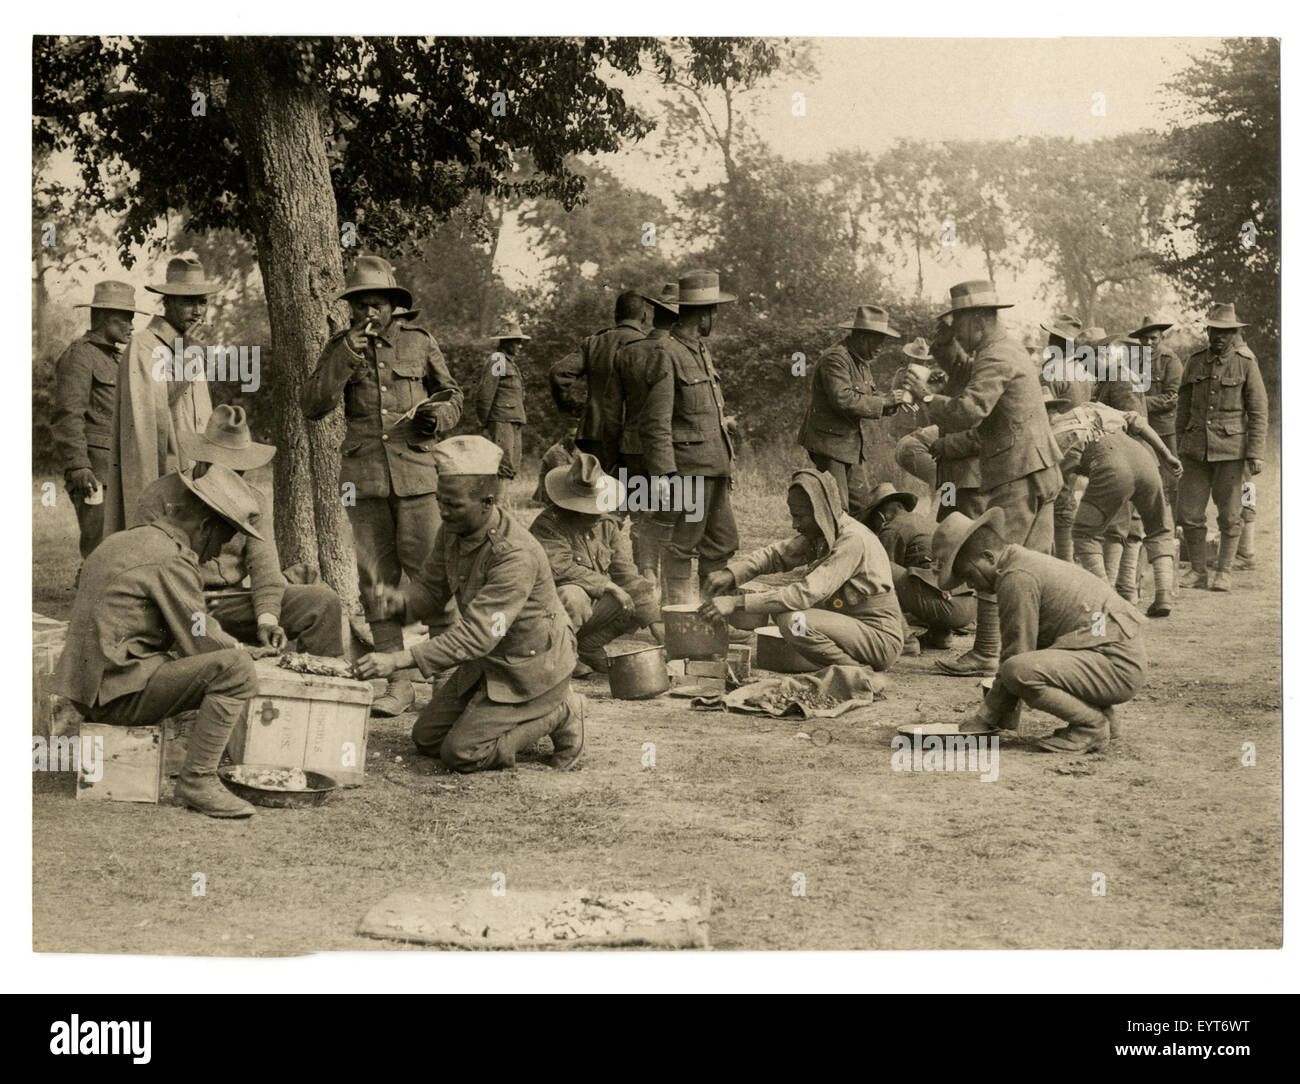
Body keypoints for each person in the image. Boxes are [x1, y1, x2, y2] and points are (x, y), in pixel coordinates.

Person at [53, 464, 273, 817]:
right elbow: (200, 639)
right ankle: (198, 780)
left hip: (93, 688)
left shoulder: (131, 539)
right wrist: (244, 652)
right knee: (237, 671)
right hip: (114, 695)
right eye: (221, 540)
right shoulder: (172, 559)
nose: (216, 554)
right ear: (204, 528)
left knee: (215, 663)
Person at [354, 436, 585, 773]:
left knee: (463, 754)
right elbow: (431, 592)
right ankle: (499, 709)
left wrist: (398, 660)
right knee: (427, 738)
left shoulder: (514, 555)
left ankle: (560, 711)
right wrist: (397, 603)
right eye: (440, 501)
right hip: (490, 661)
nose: (443, 512)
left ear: (487, 501)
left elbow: (478, 635)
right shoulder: (453, 531)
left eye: (453, 505)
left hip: (530, 667)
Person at [302, 255, 463, 716]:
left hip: (417, 476)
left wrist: (441, 417)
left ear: (394, 305)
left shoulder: (420, 342)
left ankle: (447, 681)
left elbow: (453, 394)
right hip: (365, 480)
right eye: (359, 305)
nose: (367, 313)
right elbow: (313, 405)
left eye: (376, 304)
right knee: (376, 582)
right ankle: (396, 684)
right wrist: (345, 355)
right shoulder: (340, 347)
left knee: (434, 577)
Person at [902, 281, 1063, 677]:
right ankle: (1039, 652)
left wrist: (925, 397)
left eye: (958, 323)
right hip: (1038, 469)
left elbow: (971, 410)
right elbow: (987, 430)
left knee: (993, 559)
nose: (955, 333)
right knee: (1033, 565)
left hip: (1017, 472)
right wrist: (947, 448)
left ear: (976, 320)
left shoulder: (994, 356)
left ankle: (991, 654)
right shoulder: (1008, 351)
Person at [933, 507, 1147, 755]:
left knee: (1018, 670)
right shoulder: (1023, 562)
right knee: (1030, 663)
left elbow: (1016, 656)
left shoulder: (1016, 577)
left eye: (969, 574)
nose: (970, 585)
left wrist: (985, 718)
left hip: (1117, 667)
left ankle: (1091, 726)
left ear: (989, 557)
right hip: (1116, 660)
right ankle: (1105, 718)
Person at [133, 405, 345, 655]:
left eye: (239, 469)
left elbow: (265, 569)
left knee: (322, 602)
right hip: (179, 607)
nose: (234, 478)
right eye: (226, 468)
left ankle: (321, 684)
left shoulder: (251, 501)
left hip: (231, 603)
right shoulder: (159, 495)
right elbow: (145, 575)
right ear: (202, 459)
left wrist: (267, 622)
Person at [700, 469, 905, 671]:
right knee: (780, 611)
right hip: (853, 627)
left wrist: (736, 602)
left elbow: (805, 594)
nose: (794, 524)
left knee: (793, 621)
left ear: (820, 512)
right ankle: (846, 667)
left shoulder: (852, 540)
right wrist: (732, 573)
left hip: (879, 639)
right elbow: (776, 555)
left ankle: (857, 672)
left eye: (800, 516)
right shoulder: (827, 531)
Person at [638, 270, 740, 605]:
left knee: (722, 542)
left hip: (714, 468)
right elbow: (655, 421)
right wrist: (664, 475)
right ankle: (679, 616)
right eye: (714, 311)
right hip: (689, 472)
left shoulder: (699, 350)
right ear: (703, 314)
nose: (716, 318)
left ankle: (713, 613)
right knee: (683, 544)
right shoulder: (667, 353)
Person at [1042, 388, 1182, 616]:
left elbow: (1060, 487)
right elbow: (1139, 422)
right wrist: (1167, 455)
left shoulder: (1056, 435)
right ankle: (1163, 595)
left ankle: (1106, 599)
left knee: (1084, 534)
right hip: (1144, 459)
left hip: (1111, 467)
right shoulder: (1092, 407)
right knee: (1160, 529)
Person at [105, 256, 216, 535]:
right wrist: (189, 357)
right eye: (188, 302)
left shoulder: (192, 344)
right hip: (164, 468)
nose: (197, 311)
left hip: (195, 467)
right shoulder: (144, 345)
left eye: (202, 301)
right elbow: (148, 415)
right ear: (167, 302)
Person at [531, 453, 658, 675]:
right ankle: (558, 658)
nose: (597, 515)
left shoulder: (606, 525)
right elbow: (560, 569)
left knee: (640, 596)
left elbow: (626, 574)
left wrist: (657, 624)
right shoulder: (548, 525)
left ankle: (588, 646)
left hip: (590, 610)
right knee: (573, 596)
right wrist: (609, 586)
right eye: (588, 509)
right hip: (545, 613)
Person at [1175, 302, 1267, 592]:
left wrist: (1255, 453)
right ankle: (1198, 571)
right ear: (1208, 331)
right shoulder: (1194, 362)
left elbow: (1259, 410)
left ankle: (1224, 572)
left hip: (1231, 450)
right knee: (1189, 513)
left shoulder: (1246, 363)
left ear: (1235, 334)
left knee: (1230, 515)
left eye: (1226, 332)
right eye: (1215, 330)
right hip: (1195, 451)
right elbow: (1183, 408)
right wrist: (1179, 445)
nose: (1219, 337)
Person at [53, 281, 147, 559]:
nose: (131, 326)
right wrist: (79, 465)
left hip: (120, 470)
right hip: (95, 472)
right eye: (126, 319)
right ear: (106, 319)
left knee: (120, 549)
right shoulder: (80, 356)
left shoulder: (117, 359)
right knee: (99, 550)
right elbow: (67, 416)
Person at [796, 305, 909, 516]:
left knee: (862, 505)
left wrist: (892, 403)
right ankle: (832, 548)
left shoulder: (861, 362)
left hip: (848, 446)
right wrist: (884, 402)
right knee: (837, 508)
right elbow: (843, 398)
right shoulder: (835, 358)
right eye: (878, 340)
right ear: (862, 336)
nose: (881, 347)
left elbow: (869, 399)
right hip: (828, 443)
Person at [606, 282, 680, 578]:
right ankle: (663, 589)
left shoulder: (629, 352)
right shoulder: (677, 352)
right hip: (671, 450)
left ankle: (645, 577)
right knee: (670, 520)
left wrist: (613, 453)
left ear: (653, 314)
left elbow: (612, 412)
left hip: (632, 447)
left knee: (641, 518)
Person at [859, 483, 976, 650]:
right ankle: (940, 635)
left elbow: (883, 583)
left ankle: (904, 639)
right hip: (967, 604)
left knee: (876, 566)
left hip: (946, 606)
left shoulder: (892, 529)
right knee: (925, 573)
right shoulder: (925, 521)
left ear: (881, 515)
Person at [573, 290, 648, 468]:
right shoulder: (649, 346)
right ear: (644, 317)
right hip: (634, 438)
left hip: (595, 431)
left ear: (616, 315)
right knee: (630, 491)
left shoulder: (594, 342)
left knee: (596, 491)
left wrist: (577, 407)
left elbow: (558, 373)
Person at [1131, 314, 1183, 517]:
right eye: (1145, 339)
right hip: (1139, 429)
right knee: (1142, 475)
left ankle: (1175, 526)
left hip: (1163, 427)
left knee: (1171, 479)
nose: (1148, 342)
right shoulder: (1133, 361)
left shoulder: (1170, 360)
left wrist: (1140, 404)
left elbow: (1172, 397)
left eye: (1153, 338)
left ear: (1161, 337)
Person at [471, 319, 530, 479]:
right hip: (501, 420)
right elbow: (486, 393)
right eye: (517, 342)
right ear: (507, 342)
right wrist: (484, 421)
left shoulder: (509, 363)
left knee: (512, 463)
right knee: (504, 464)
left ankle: (503, 501)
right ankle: (497, 502)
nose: (520, 346)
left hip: (513, 419)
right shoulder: (498, 360)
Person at [533, 428, 577, 504]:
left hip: (561, 491)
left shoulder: (571, 450)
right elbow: (562, 476)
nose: (575, 438)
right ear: (563, 436)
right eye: (572, 436)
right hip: (551, 494)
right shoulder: (556, 452)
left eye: (577, 435)